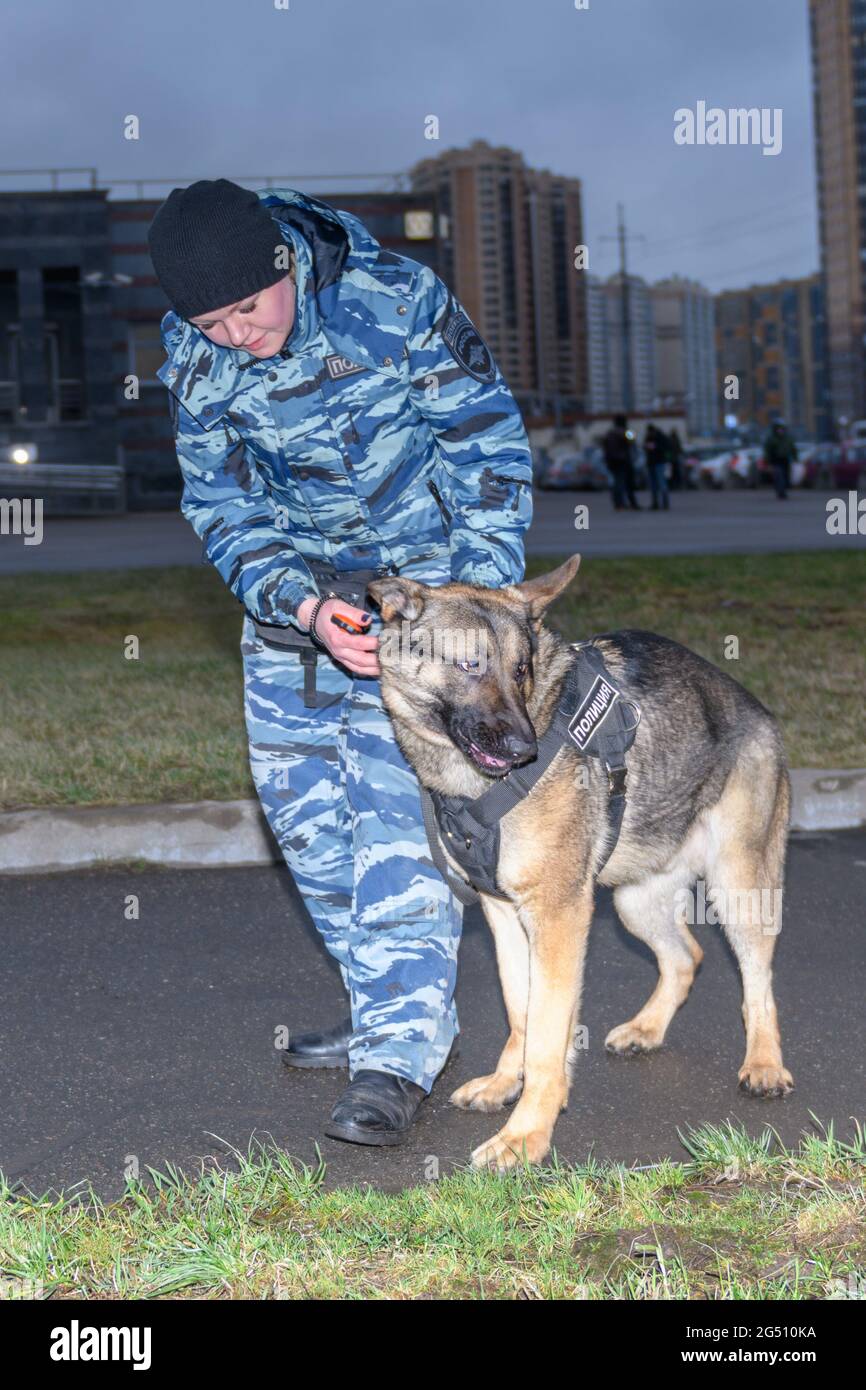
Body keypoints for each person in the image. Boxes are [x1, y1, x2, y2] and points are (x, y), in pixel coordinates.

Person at [147, 179, 533, 1147]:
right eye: (209, 319)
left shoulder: (395, 300)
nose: (233, 334)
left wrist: (465, 617)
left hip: (423, 615)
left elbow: (485, 451)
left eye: (247, 308)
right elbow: (223, 506)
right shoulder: (193, 353)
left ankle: (398, 1058)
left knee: (394, 836)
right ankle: (382, 1012)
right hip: (298, 613)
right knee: (312, 837)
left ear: (284, 264)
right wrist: (303, 605)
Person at [603, 413, 640, 510]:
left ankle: (618, 503)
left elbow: (605, 448)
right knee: (627, 483)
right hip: (624, 461)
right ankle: (631, 503)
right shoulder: (625, 432)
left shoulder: (609, 433)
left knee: (617, 483)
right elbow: (633, 440)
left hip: (612, 462)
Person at [763, 419, 798, 500]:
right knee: (779, 476)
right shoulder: (771, 439)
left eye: (782, 429)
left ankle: (783, 490)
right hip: (776, 461)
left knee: (786, 476)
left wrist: (795, 458)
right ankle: (780, 491)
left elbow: (793, 449)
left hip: (785, 461)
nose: (780, 431)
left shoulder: (788, 439)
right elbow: (767, 451)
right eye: (779, 429)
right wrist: (767, 461)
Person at [643, 422, 671, 511]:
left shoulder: (660, 437)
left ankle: (664, 503)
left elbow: (666, 448)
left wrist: (655, 447)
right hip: (652, 463)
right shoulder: (649, 437)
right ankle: (655, 503)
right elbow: (645, 447)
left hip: (659, 462)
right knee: (653, 484)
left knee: (661, 482)